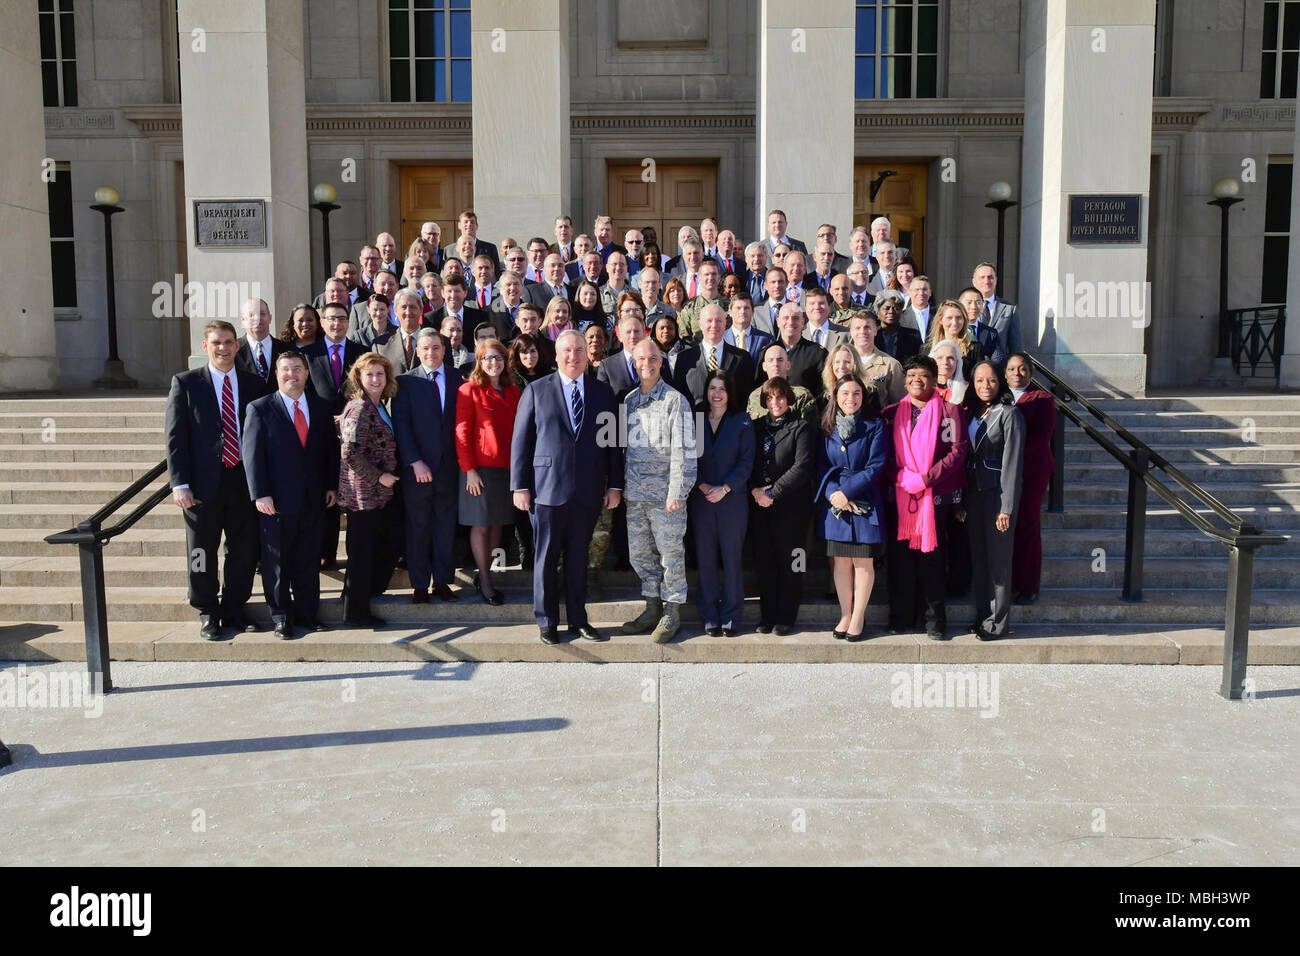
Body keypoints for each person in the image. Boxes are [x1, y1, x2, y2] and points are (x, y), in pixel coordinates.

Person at [510, 330, 624, 645]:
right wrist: (520, 486)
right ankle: (547, 621)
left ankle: (578, 619)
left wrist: (614, 485)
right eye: (567, 351)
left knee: (578, 557)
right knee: (545, 557)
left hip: (587, 490)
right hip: (546, 490)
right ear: (557, 355)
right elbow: (521, 442)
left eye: (578, 350)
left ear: (587, 355)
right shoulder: (536, 390)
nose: (573, 356)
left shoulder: (603, 392)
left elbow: (613, 444)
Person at [166, 320, 267, 640]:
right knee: (201, 551)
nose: (223, 348)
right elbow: (176, 437)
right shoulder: (186, 383)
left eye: (228, 342)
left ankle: (235, 607)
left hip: (243, 481)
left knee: (243, 550)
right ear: (205, 347)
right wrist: (179, 482)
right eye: (217, 343)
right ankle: (207, 610)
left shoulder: (254, 384)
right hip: (201, 485)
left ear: (237, 346)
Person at [242, 349, 338, 639]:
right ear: (276, 374)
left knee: (308, 559)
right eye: (285, 369)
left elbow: (330, 452)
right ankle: (281, 616)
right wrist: (260, 494)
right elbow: (252, 456)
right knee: (277, 562)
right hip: (277, 501)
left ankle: (308, 614)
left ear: (306, 373)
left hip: (313, 498)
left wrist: (332, 485)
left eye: (297, 368)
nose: (291, 374)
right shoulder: (259, 408)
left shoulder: (321, 408)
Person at [882, 356, 969, 641]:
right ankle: (901, 617)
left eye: (923, 375)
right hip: (901, 496)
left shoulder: (949, 411)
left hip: (936, 499)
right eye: (911, 374)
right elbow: (882, 454)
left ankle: (935, 621)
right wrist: (903, 478)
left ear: (935, 380)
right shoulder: (891, 413)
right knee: (901, 562)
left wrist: (925, 479)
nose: (916, 379)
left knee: (932, 562)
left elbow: (957, 452)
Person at [619, 339, 697, 644]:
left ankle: (672, 611)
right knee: (641, 555)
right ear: (635, 364)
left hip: (666, 497)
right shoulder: (629, 401)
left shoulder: (675, 400)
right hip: (635, 495)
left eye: (653, 358)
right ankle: (651, 607)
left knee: (670, 556)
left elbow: (685, 450)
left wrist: (678, 491)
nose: (647, 364)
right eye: (641, 359)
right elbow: (621, 449)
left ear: (661, 362)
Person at [815, 375, 889, 642]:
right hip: (834, 502)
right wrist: (833, 492)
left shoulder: (875, 425)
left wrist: (847, 492)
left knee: (863, 561)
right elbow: (820, 465)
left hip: (864, 500)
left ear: (863, 396)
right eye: (845, 393)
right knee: (841, 563)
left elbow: (876, 466)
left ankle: (858, 617)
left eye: (856, 393)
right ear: (836, 397)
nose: (850, 398)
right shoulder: (826, 426)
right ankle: (845, 613)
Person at [394, 328, 464, 605]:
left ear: (444, 350)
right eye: (426, 348)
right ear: (418, 351)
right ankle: (420, 584)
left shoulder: (460, 379)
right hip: (418, 471)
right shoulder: (406, 382)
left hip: (449, 469)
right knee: (418, 527)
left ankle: (443, 582)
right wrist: (415, 461)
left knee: (445, 527)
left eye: (436, 347)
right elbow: (402, 425)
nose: (431, 353)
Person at [338, 352, 403, 627]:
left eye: (380, 374)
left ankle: (357, 598)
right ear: (359, 378)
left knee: (382, 545)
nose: (375, 379)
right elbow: (349, 452)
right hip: (363, 495)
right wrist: (379, 478)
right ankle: (355, 613)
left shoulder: (379, 405)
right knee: (362, 553)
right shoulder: (360, 407)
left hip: (378, 496)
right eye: (370, 375)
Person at [456, 338, 522, 605]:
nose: (493, 363)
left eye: (498, 357)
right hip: (479, 469)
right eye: (487, 358)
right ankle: (484, 580)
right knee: (481, 525)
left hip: (507, 468)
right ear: (479, 362)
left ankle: (490, 573)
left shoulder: (514, 391)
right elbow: (462, 432)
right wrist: (469, 470)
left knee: (497, 522)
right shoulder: (468, 390)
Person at [963, 360, 1025, 640]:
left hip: (997, 498)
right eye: (978, 380)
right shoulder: (973, 413)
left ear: (1000, 382)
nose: (984, 386)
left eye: (990, 380)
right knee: (979, 559)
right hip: (974, 496)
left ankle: (998, 622)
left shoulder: (1009, 414)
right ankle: (981, 616)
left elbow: (1013, 463)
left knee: (998, 562)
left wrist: (1007, 507)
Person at [691, 369, 754, 637]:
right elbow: (687, 457)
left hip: (732, 501)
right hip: (702, 499)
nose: (717, 394)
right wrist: (703, 485)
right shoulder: (695, 420)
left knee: (731, 558)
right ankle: (709, 614)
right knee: (705, 558)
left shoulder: (742, 421)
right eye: (713, 388)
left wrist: (725, 488)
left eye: (722, 389)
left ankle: (731, 615)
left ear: (730, 393)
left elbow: (746, 461)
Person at [750, 377, 815, 635]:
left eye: (780, 397)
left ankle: (786, 616)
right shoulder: (754, 427)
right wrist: (754, 490)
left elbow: (802, 467)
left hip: (792, 509)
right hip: (760, 507)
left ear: (788, 399)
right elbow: (746, 460)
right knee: (765, 563)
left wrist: (773, 493)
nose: (775, 402)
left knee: (793, 563)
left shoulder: (802, 427)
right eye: (770, 398)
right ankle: (768, 616)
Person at [1005, 352, 1055, 605]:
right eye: (1012, 369)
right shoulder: (997, 396)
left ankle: (1028, 586)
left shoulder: (1043, 399)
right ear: (1004, 373)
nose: (1017, 373)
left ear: (1031, 373)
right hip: (1002, 473)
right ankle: (1008, 583)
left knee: (1027, 525)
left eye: (1022, 369)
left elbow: (1039, 439)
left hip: (1031, 471)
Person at [674, 303, 756, 408]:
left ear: (725, 323)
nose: (714, 325)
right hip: (698, 420)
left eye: (718, 321)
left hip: (730, 419)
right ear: (700, 324)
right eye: (709, 321)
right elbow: (681, 398)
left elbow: (745, 396)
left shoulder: (742, 358)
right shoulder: (684, 358)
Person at [747, 343, 818, 423]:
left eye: (780, 360)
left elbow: (810, 429)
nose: (775, 364)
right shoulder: (754, 396)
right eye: (771, 360)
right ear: (764, 366)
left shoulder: (802, 395)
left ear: (788, 365)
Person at [848, 309, 905, 408]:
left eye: (867, 327)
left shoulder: (890, 365)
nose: (863, 332)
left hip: (877, 421)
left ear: (875, 330)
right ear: (851, 332)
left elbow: (899, 405)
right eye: (858, 328)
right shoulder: (841, 361)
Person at [924, 298, 986, 381]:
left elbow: (979, 379)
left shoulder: (975, 348)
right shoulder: (927, 349)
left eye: (959, 318)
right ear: (940, 320)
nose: (955, 322)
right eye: (949, 318)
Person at [972, 262, 1024, 355]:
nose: (986, 281)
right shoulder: (963, 307)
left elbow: (1016, 348)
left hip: (998, 367)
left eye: (990, 277)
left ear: (996, 280)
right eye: (982, 277)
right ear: (974, 282)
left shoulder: (1010, 309)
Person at [236, 297, 289, 388]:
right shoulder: (233, 350)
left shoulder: (287, 349)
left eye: (262, 313)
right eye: (251, 314)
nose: (257, 318)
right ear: (243, 320)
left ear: (270, 318)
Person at [874, 289, 922, 363]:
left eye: (896, 308)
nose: (891, 312)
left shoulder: (913, 336)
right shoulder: (873, 336)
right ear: (878, 312)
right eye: (886, 308)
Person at [723, 292, 773, 360]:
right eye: (738, 308)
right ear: (730, 312)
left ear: (752, 312)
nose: (742, 311)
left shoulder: (767, 339)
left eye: (746, 308)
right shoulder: (721, 338)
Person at [930, 338, 969, 404]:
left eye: (950, 358)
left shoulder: (967, 390)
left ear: (957, 362)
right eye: (940, 358)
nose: (945, 362)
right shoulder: (924, 387)